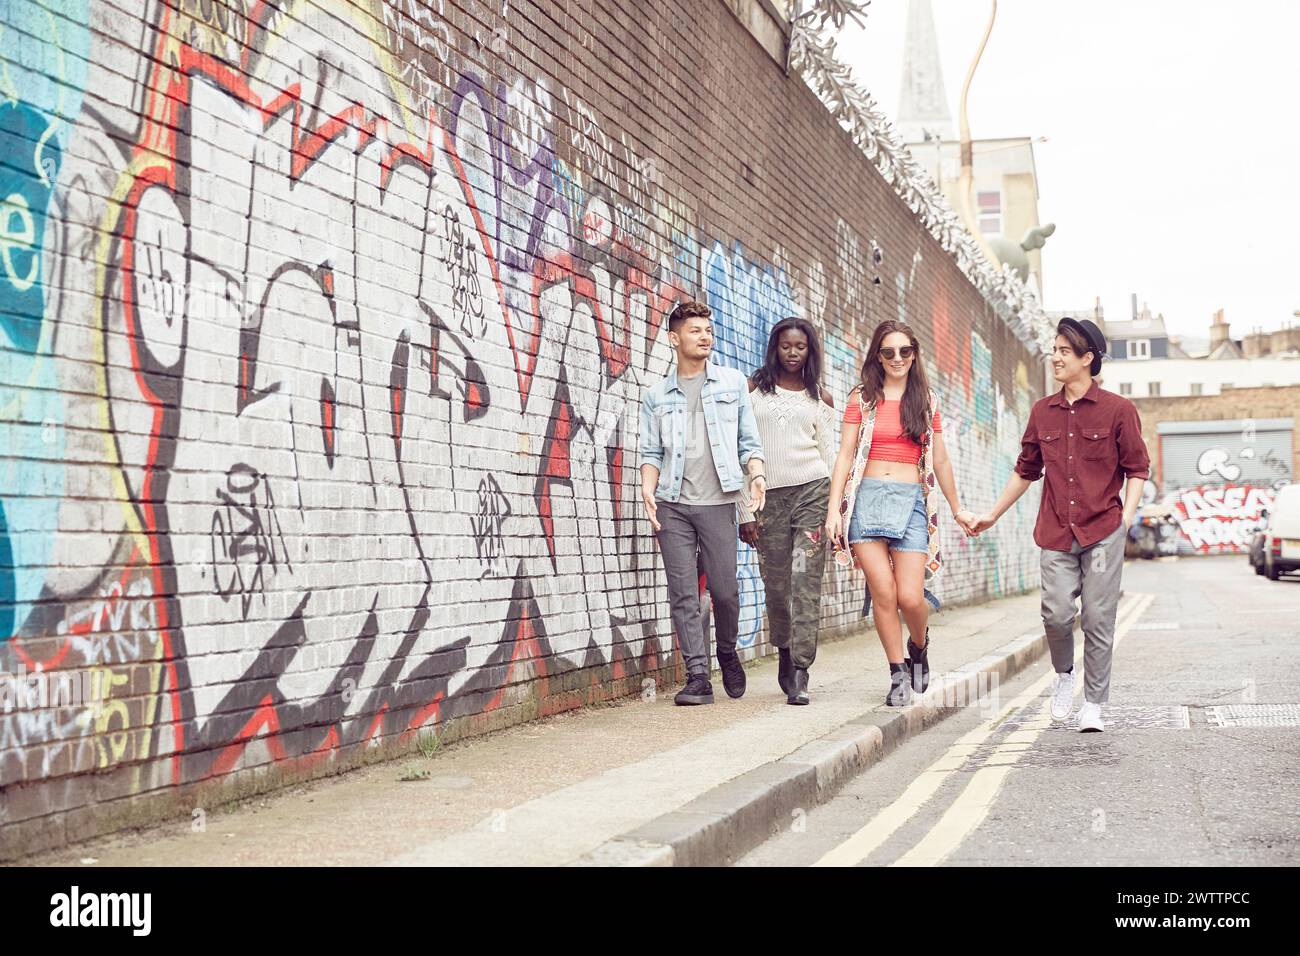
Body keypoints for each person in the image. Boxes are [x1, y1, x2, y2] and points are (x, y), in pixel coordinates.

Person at [969, 318, 1150, 732]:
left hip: (1103, 531)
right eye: (1054, 349)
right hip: (1055, 532)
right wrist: (992, 514)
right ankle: (1064, 674)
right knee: (1056, 613)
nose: (1055, 357)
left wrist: (1125, 519)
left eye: (1064, 351)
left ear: (1088, 359)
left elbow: (1137, 468)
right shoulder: (1042, 413)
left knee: (1098, 618)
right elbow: (1025, 470)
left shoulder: (1119, 411)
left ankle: (1095, 704)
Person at [825, 321, 976, 706]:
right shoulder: (862, 398)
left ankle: (919, 649)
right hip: (866, 501)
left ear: (914, 354)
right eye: (889, 352)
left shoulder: (926, 399)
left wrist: (957, 508)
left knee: (910, 597)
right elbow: (844, 454)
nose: (897, 359)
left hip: (911, 502)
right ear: (878, 355)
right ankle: (896, 673)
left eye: (904, 352)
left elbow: (939, 458)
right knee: (884, 592)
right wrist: (834, 511)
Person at [639, 301, 767, 705]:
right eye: (695, 330)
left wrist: (758, 475)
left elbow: (749, 441)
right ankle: (698, 675)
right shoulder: (656, 395)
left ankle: (726, 651)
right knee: (683, 592)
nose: (705, 336)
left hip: (719, 501)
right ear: (674, 339)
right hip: (672, 503)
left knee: (725, 592)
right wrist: (647, 488)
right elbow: (650, 451)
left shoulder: (731, 384)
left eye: (707, 330)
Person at [737, 317, 836, 705]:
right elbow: (740, 450)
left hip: (813, 492)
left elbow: (830, 457)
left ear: (810, 350)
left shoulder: (820, 398)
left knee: (804, 581)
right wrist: (745, 511)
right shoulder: (752, 391)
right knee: (777, 586)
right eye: (786, 346)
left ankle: (800, 669)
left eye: (801, 347)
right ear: (774, 348)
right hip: (767, 499)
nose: (793, 353)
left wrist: (837, 512)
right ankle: (784, 652)